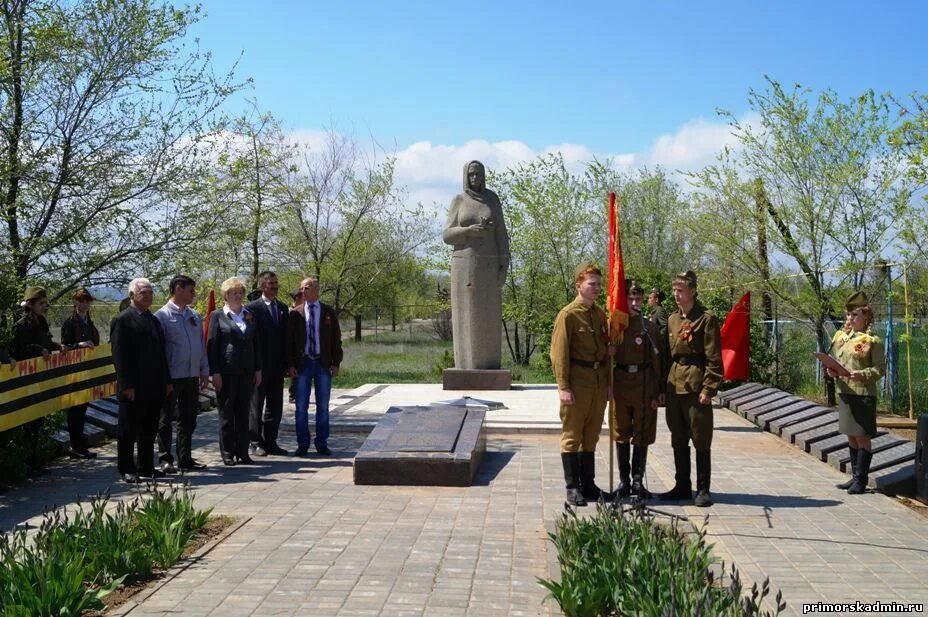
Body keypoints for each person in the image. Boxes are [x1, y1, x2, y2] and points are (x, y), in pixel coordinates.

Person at [550, 264, 613, 506]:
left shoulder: (599, 314)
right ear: (579, 285)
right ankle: (572, 486)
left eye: (599, 284)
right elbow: (559, 353)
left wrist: (608, 383)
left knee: (591, 435)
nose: (596, 288)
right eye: (591, 284)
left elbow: (604, 353)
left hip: (597, 382)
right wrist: (563, 386)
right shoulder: (568, 315)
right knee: (572, 435)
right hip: (577, 382)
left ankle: (588, 484)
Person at [658, 270, 722, 507]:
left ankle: (703, 489)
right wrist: (662, 387)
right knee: (678, 436)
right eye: (674, 290)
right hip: (675, 384)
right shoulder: (673, 319)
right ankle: (681, 485)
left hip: (696, 385)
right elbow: (667, 355)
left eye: (681, 290)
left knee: (701, 438)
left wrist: (709, 388)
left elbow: (714, 357)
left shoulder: (706, 319)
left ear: (693, 291)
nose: (676, 294)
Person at [442, 160, 510, 370]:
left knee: (488, 317)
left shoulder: (492, 200)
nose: (475, 178)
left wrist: (504, 264)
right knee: (466, 315)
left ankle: (488, 365)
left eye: (479, 174)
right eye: (471, 175)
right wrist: (468, 231)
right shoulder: (459, 201)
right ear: (466, 177)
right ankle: (465, 366)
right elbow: (447, 235)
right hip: (464, 267)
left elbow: (502, 234)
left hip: (488, 266)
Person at [110, 278, 171, 483]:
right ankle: (126, 468)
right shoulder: (123, 320)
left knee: (149, 429)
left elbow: (161, 354)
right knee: (128, 430)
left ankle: (146, 466)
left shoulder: (153, 320)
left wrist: (166, 380)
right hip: (133, 387)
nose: (148, 296)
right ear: (132, 296)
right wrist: (126, 385)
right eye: (143, 292)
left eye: (151, 292)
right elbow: (120, 356)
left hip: (153, 385)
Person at [827, 292, 884, 495]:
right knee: (851, 435)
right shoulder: (841, 337)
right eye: (848, 315)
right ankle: (854, 476)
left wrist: (862, 374)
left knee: (862, 436)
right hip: (845, 391)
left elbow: (879, 369)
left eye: (855, 314)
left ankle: (861, 480)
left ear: (866, 316)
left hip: (862, 393)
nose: (850, 318)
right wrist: (832, 370)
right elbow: (837, 361)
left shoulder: (871, 341)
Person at [612, 281, 663, 499]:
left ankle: (637, 481)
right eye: (630, 299)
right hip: (622, 385)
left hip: (643, 385)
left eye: (638, 299)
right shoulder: (616, 326)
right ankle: (623, 481)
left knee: (642, 434)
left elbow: (657, 362)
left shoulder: (648, 327)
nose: (635, 303)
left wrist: (657, 391)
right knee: (621, 433)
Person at [154, 275, 210, 472]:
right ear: (178, 289)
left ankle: (185, 458)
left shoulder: (194, 315)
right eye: (191, 291)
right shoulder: (161, 317)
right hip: (171, 377)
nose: (193, 294)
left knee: (188, 419)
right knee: (165, 419)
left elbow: (200, 345)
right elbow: (158, 351)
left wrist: (204, 370)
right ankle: (165, 459)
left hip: (191, 375)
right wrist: (164, 378)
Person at [207, 277, 262, 466]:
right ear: (226, 295)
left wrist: (257, 369)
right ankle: (228, 452)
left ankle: (243, 452)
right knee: (226, 413)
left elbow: (256, 344)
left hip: (247, 371)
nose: (238, 296)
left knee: (244, 412)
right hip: (227, 371)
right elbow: (212, 346)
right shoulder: (218, 315)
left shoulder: (250, 314)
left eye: (240, 292)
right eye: (233, 293)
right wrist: (215, 372)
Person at [286, 277, 342, 457]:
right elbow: (290, 342)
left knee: (323, 406)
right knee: (301, 406)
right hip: (303, 365)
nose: (302, 291)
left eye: (306, 287)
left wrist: (335, 362)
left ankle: (321, 443)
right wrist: (291, 365)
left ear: (316, 289)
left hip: (322, 363)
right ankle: (302, 444)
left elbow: (336, 339)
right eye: (301, 288)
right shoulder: (295, 313)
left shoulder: (328, 312)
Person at [11, 286, 62, 475]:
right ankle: (25, 463)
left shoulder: (41, 322)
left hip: (40, 378)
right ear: (30, 304)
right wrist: (37, 350)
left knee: (37, 421)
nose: (44, 307)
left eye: (45, 304)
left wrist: (58, 346)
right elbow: (17, 350)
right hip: (26, 379)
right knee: (27, 422)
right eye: (41, 303)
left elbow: (46, 343)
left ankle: (34, 461)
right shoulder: (20, 325)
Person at [246, 271, 290, 456]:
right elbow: (250, 340)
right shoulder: (252, 308)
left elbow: (286, 337)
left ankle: (271, 441)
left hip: (277, 367)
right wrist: (255, 366)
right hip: (259, 368)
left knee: (275, 407)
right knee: (256, 406)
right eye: (271, 283)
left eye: (276, 283)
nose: (274, 286)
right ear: (262, 286)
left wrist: (287, 364)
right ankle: (255, 442)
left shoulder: (282, 307)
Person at [60, 287, 101, 459]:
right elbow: (64, 348)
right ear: (75, 302)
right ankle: (75, 446)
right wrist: (80, 345)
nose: (84, 304)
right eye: (81, 300)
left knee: (82, 409)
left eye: (87, 300)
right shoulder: (69, 323)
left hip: (86, 372)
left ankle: (80, 445)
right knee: (74, 410)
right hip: (73, 373)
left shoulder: (89, 322)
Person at [287, 288, 303, 404]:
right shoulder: (290, 311)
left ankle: (297, 393)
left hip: (301, 347)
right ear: (297, 298)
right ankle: (292, 394)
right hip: (293, 346)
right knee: (294, 372)